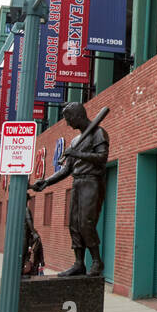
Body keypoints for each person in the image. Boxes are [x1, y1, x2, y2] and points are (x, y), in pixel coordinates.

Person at [30, 103, 109, 276]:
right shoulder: (75, 141)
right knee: (74, 225)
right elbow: (67, 170)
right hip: (77, 182)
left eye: (68, 119)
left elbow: (102, 158)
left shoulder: (98, 133)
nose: (67, 123)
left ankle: (97, 261)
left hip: (92, 182)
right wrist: (46, 182)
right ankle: (79, 263)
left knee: (86, 223)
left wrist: (76, 154)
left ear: (78, 116)